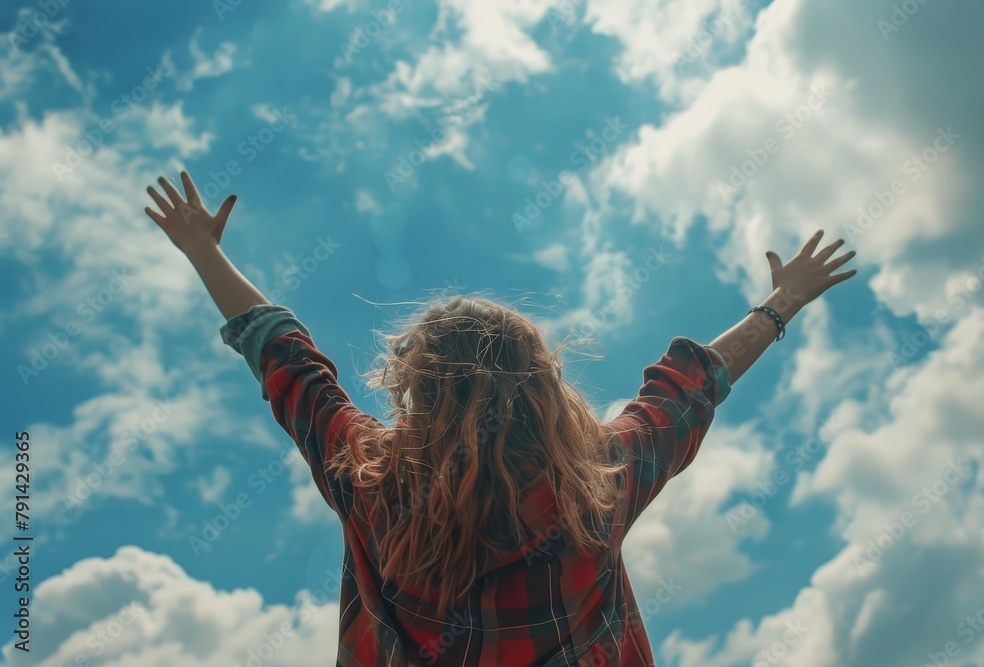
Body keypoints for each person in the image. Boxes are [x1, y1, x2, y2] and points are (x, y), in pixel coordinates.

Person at [145, 171, 857, 666]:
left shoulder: (368, 479)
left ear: (414, 388)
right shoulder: (597, 489)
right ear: (541, 385)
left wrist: (203, 249)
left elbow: (287, 360)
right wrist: (780, 302)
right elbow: (691, 387)